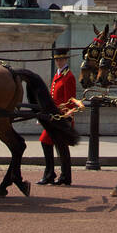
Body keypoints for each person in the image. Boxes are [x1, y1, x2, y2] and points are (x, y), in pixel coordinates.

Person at [39, 46, 76, 185]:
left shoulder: (69, 76)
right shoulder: (58, 74)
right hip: (53, 117)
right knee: (56, 145)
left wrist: (67, 118)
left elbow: (70, 100)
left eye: (61, 60)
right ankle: (58, 175)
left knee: (54, 144)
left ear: (66, 59)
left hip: (60, 118)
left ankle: (55, 175)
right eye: (57, 60)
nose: (59, 62)